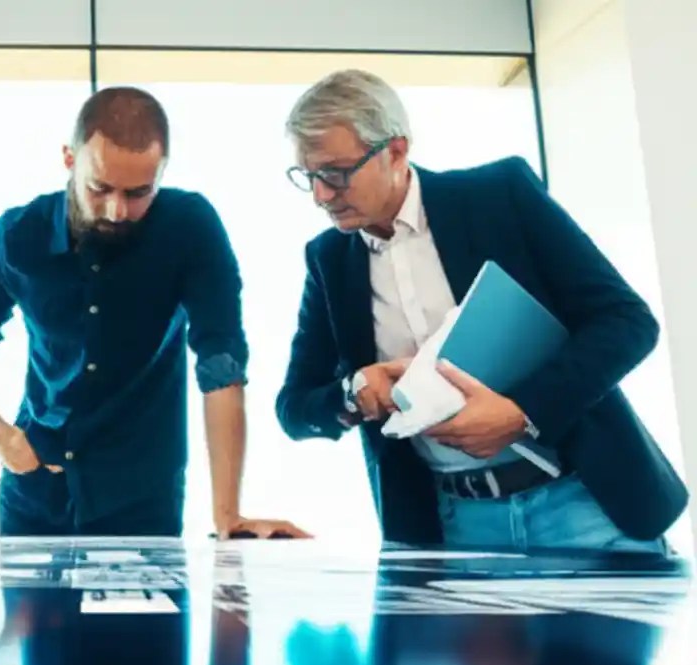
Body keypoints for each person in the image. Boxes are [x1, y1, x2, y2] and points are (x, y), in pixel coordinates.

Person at [274, 69, 688, 551]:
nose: (321, 194)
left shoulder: (499, 196)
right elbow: (295, 408)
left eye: (336, 173)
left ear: (396, 150)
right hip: (455, 529)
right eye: (309, 176)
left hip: (583, 505)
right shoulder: (329, 261)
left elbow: (627, 322)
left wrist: (523, 413)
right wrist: (355, 393)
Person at [0, 86, 309, 539]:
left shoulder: (190, 229)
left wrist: (227, 514)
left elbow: (221, 366)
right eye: (101, 188)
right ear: (69, 160)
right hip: (33, 488)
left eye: (139, 193)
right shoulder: (16, 236)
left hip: (142, 498)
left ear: (162, 173)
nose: (118, 210)